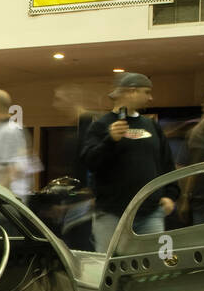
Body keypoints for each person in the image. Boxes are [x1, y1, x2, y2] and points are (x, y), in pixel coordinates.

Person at [76, 72, 179, 251]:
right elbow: (90, 161)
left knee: (151, 267)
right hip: (112, 213)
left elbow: (166, 163)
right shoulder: (101, 125)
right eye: (146, 92)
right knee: (109, 267)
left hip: (151, 212)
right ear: (131, 91)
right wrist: (110, 140)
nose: (150, 98)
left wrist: (170, 194)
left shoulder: (151, 125)